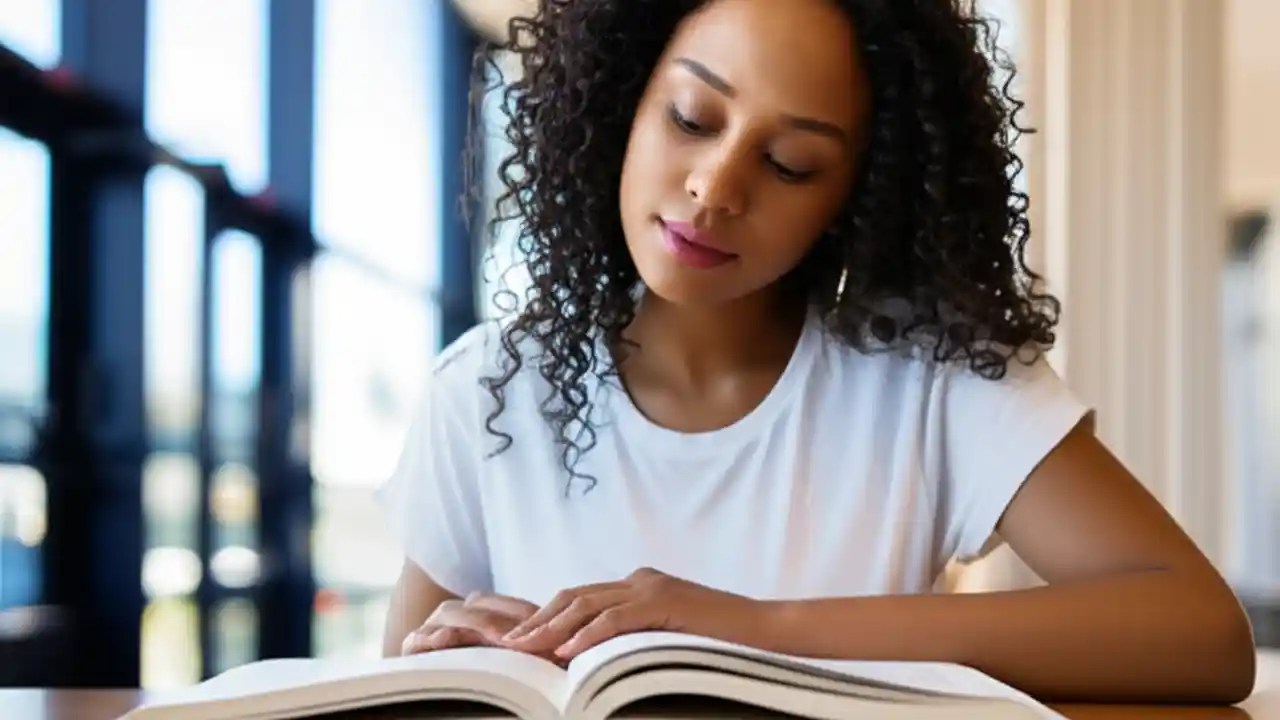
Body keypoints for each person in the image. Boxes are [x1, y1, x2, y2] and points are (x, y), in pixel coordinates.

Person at [377, 0, 1256, 704]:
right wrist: (444, 673)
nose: (715, 188)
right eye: (691, 117)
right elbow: (390, 686)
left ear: (855, 198)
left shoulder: (935, 379)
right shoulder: (487, 388)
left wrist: (745, 627)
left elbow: (1203, 635)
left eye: (791, 164)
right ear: (622, 107)